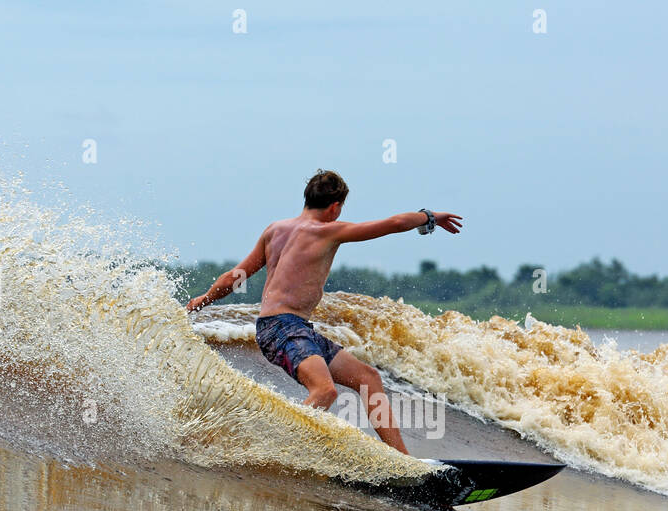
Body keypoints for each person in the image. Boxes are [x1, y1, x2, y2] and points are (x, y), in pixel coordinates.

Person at [186, 169, 461, 454]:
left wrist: (204, 299)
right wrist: (430, 217)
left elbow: (237, 275)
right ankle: (270, 448)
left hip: (290, 328)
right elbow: (394, 223)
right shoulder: (329, 231)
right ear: (335, 206)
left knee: (368, 378)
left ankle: (404, 461)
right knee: (325, 391)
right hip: (282, 328)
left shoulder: (274, 230)